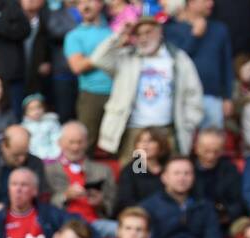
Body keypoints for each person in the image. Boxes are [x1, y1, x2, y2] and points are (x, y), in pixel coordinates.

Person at [88, 13, 204, 162]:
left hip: (167, 131)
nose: (143, 38)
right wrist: (119, 34)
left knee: (167, 175)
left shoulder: (178, 59)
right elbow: (98, 59)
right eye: (139, 34)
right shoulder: (126, 58)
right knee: (139, 174)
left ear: (160, 32)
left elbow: (193, 94)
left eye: (148, 32)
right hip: (137, 132)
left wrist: (188, 124)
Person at [164, 0, 232, 131]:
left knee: (212, 144)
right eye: (205, 0)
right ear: (191, 3)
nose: (211, 4)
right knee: (185, 146)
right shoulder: (171, 29)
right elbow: (174, 61)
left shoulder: (220, 29)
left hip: (212, 96)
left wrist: (227, 97)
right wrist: (194, 36)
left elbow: (226, 65)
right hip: (183, 98)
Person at [141, 154, 222, 238]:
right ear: (164, 178)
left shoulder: (205, 205)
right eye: (176, 173)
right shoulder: (148, 207)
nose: (182, 178)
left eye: (187, 173)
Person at [46, 119, 116, 235]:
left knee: (124, 231)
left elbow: (113, 206)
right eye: (71, 142)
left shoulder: (103, 170)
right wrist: (65, 196)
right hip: (62, 225)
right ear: (60, 143)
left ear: (87, 143)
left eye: (80, 142)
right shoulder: (49, 171)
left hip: (95, 224)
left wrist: (100, 203)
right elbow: (43, 205)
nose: (75, 147)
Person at [65, 0, 114, 147]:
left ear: (100, 4)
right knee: (86, 144)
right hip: (91, 95)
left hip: (118, 94)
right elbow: (77, 66)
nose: (85, 6)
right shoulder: (74, 35)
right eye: (80, 3)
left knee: (118, 144)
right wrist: (105, 51)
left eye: (89, 1)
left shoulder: (113, 31)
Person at [0, 124, 48, 214]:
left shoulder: (35, 163)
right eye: (16, 155)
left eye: (25, 153)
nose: (22, 159)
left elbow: (41, 197)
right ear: (4, 146)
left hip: (28, 214)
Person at [191, 128, 244, 231]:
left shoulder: (229, 169)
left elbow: (238, 201)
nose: (211, 156)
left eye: (216, 151)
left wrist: (225, 215)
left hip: (224, 222)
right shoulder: (187, 168)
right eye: (206, 151)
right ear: (196, 148)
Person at [111, 126, 167, 217]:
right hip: (137, 219)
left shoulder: (169, 167)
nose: (145, 145)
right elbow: (126, 201)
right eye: (141, 141)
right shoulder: (130, 171)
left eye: (151, 141)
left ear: (161, 144)